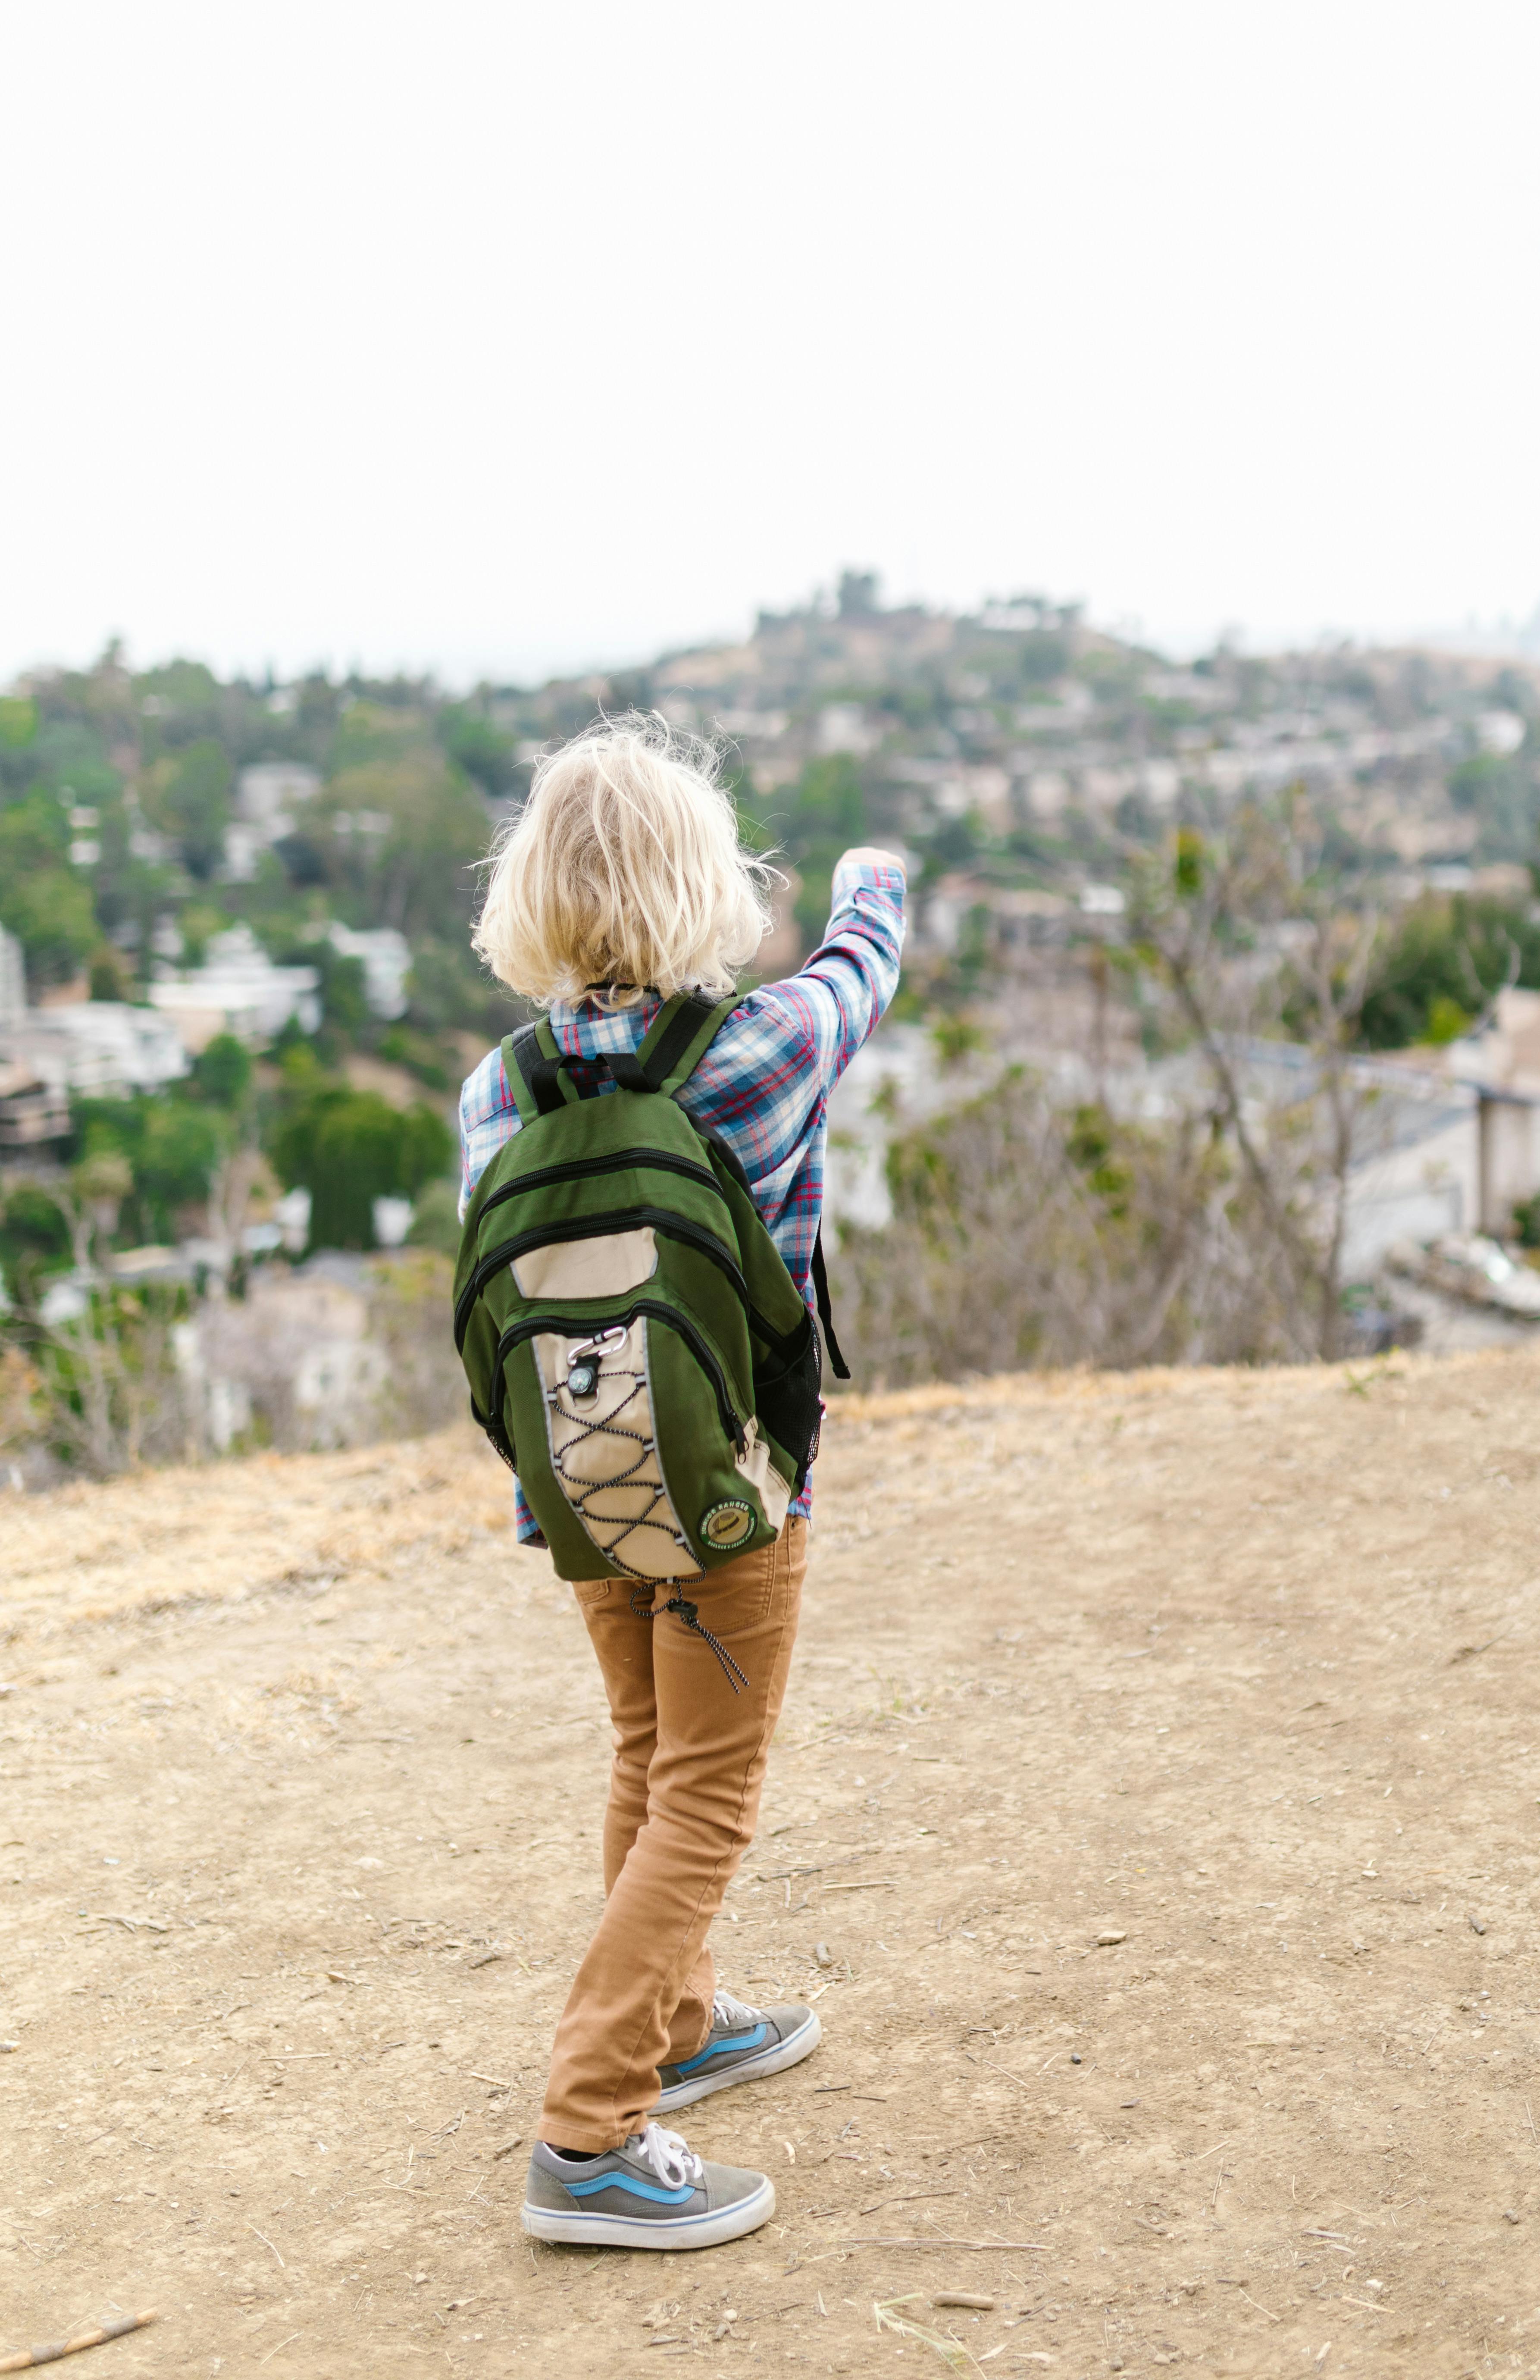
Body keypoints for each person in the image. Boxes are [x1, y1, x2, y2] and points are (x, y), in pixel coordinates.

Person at [458, 713, 906, 2250]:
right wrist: (873, 880)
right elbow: (862, 973)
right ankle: (589, 2133)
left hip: (581, 1494)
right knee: (709, 1790)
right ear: (705, 884)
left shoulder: (496, 1096)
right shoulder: (766, 1048)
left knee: (651, 1754)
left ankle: (683, 2018)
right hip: (732, 1497)